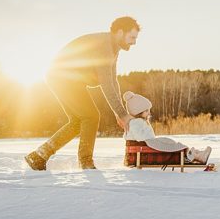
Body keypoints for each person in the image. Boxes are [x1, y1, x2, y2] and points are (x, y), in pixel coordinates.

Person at [24, 17, 141, 171]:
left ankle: (39, 156)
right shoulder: (104, 46)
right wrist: (122, 114)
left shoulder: (113, 47)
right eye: (132, 37)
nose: (134, 42)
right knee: (91, 116)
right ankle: (85, 163)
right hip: (62, 77)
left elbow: (113, 80)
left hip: (68, 79)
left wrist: (120, 114)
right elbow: (106, 84)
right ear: (120, 32)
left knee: (77, 122)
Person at [122, 91, 211, 164]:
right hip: (142, 153)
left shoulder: (138, 122)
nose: (149, 113)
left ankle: (196, 154)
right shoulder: (135, 123)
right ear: (138, 112)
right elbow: (141, 137)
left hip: (144, 150)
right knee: (167, 143)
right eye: (146, 111)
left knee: (168, 142)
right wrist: (155, 141)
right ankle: (192, 156)